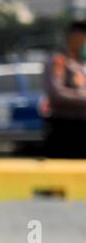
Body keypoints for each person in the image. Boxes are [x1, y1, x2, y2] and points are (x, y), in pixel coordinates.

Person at [42, 20, 86, 159]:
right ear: (74, 36)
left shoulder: (80, 63)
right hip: (65, 127)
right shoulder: (59, 61)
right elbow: (57, 93)